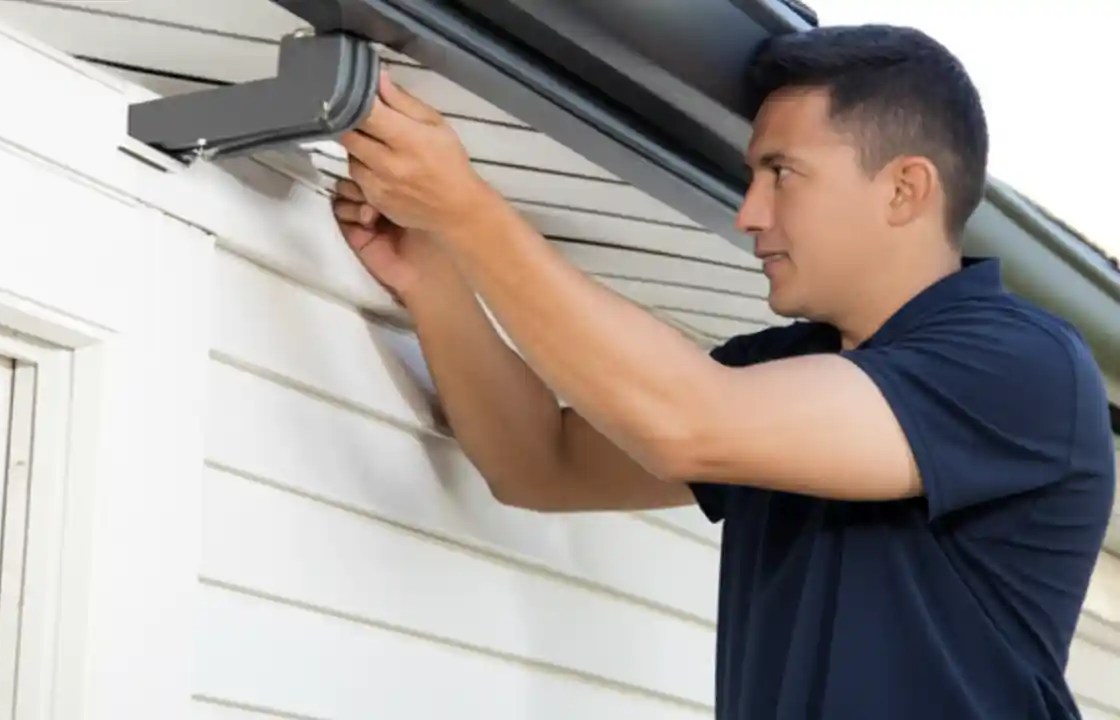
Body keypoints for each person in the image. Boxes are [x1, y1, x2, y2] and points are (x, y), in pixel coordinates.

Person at [329, 23, 1115, 720]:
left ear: (904, 189)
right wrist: (436, 277)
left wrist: (465, 209)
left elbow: (688, 425)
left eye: (782, 172)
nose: (749, 212)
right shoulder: (783, 371)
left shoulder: (1021, 365)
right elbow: (541, 461)